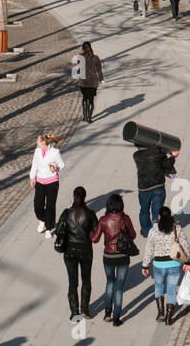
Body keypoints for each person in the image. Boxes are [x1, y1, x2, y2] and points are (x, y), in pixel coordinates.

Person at [92, 193, 138, 326]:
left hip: (108, 256)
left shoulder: (103, 219)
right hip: (123, 256)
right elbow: (133, 235)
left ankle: (107, 312)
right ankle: (116, 317)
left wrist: (90, 232)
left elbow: (95, 239)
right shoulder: (125, 218)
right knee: (119, 287)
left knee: (110, 283)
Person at [141, 206, 190, 325]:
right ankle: (169, 317)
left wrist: (145, 265)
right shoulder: (176, 229)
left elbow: (149, 249)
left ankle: (160, 313)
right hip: (173, 264)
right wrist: (187, 262)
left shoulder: (153, 231)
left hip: (158, 264)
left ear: (158, 216)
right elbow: (185, 245)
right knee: (171, 290)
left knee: (159, 288)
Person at [55, 186, 98, 321]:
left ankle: (75, 312)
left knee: (72, 282)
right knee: (86, 280)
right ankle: (85, 309)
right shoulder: (90, 213)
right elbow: (96, 232)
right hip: (86, 250)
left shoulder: (66, 213)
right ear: (85, 197)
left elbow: (58, 230)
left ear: (73, 197)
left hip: (70, 251)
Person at [133, 140, 179, 237]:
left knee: (144, 210)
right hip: (158, 185)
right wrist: (173, 156)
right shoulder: (157, 152)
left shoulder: (136, 155)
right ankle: (157, 231)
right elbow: (167, 164)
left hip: (143, 188)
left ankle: (146, 232)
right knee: (157, 211)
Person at [29, 132, 65, 237]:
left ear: (43, 142)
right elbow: (34, 165)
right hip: (40, 181)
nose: (36, 142)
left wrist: (56, 168)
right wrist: (32, 177)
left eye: (38, 141)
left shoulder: (54, 152)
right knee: (38, 205)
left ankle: (49, 228)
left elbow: (62, 165)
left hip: (52, 182)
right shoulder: (37, 151)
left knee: (50, 205)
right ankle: (43, 219)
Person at [76, 40, 104, 122]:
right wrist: (101, 79)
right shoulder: (96, 58)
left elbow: (78, 69)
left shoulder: (80, 58)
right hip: (92, 82)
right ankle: (89, 117)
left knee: (84, 98)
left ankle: (84, 116)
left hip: (83, 82)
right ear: (90, 48)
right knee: (91, 100)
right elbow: (99, 70)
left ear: (83, 49)